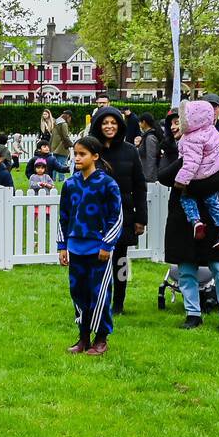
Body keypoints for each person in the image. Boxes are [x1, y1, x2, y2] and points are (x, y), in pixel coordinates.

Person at [156, 122, 219, 332]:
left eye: (179, 122)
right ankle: (193, 314)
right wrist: (187, 160)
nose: (176, 126)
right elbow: (163, 176)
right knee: (186, 266)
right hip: (184, 218)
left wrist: (189, 184)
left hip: (214, 217)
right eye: (173, 123)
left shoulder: (217, 150)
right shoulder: (174, 149)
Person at [58, 135, 122, 356]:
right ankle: (83, 337)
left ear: (95, 156)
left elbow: (116, 216)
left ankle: (101, 338)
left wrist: (107, 244)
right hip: (75, 248)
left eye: (82, 154)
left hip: (99, 250)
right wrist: (62, 246)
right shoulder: (70, 184)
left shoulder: (108, 184)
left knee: (99, 294)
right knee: (78, 293)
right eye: (75, 154)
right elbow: (63, 217)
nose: (77, 158)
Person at [88, 104, 146, 315]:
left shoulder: (130, 150)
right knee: (97, 260)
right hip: (96, 215)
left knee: (121, 260)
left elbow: (139, 185)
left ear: (120, 125)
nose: (109, 126)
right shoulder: (91, 150)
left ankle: (119, 303)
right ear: (98, 125)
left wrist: (141, 218)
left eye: (113, 122)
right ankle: (99, 301)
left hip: (124, 214)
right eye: (105, 123)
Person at [174, 100, 219, 248]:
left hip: (197, 176)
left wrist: (181, 180)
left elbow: (191, 162)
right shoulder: (212, 130)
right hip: (213, 173)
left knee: (186, 198)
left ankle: (196, 221)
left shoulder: (190, 139)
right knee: (213, 202)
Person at [136, 113, 160, 182]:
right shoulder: (146, 136)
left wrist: (148, 177)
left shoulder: (150, 138)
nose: (139, 124)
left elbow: (151, 158)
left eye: (140, 122)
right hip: (146, 174)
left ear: (144, 122)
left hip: (149, 177)